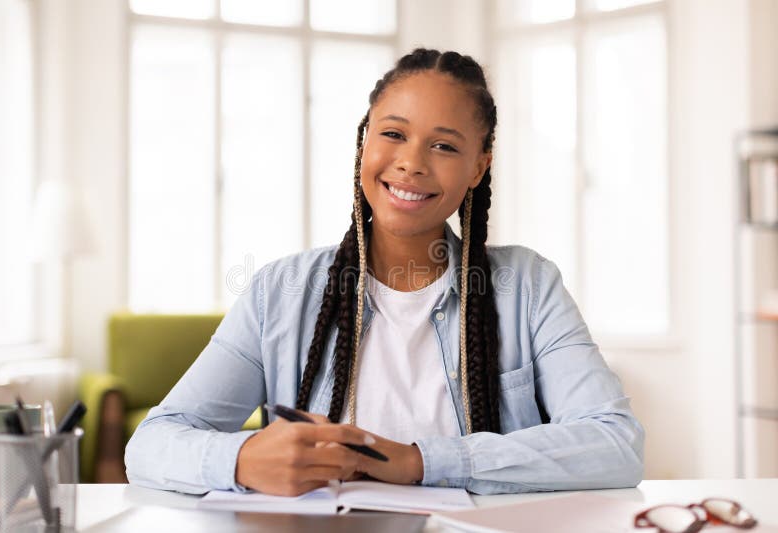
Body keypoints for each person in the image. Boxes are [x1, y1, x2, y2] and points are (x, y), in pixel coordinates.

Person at [125, 48, 644, 497]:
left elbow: (615, 443)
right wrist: (241, 461)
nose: (411, 163)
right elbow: (151, 444)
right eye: (393, 133)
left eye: (443, 145)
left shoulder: (527, 286)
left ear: (479, 166)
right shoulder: (278, 293)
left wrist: (417, 461)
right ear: (364, 142)